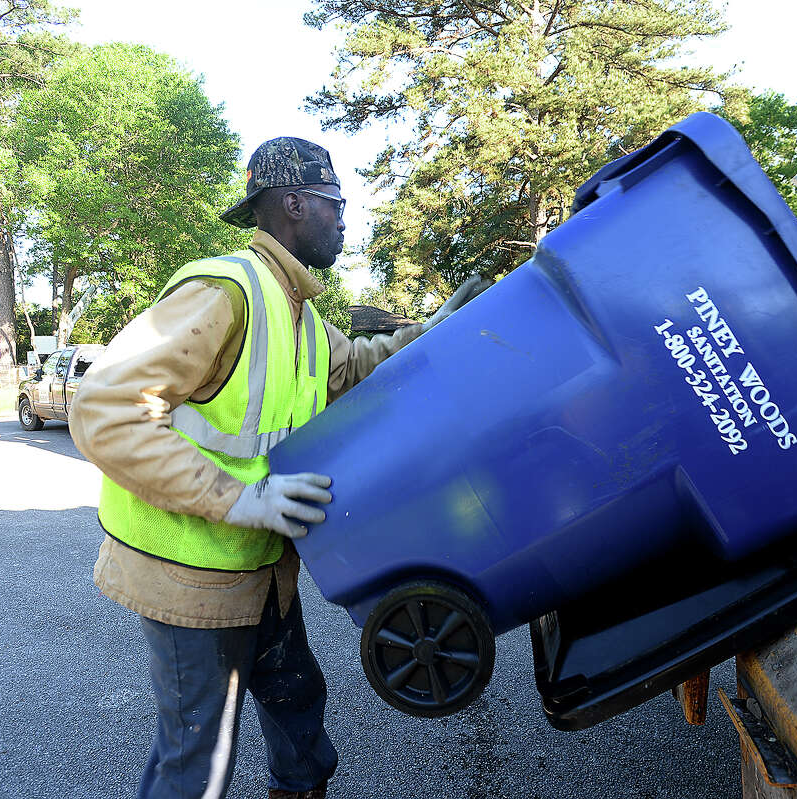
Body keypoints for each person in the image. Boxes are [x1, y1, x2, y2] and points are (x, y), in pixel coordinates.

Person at [69, 137, 489, 799]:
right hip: (190, 576)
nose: (346, 219)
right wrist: (238, 498)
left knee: (298, 709)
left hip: (260, 570)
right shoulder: (225, 291)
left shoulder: (299, 313)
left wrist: (435, 330)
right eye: (336, 203)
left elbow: (354, 367)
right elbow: (104, 406)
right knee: (197, 761)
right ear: (293, 203)